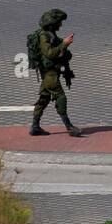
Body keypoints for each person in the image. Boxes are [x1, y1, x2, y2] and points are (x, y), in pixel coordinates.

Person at [30, 8, 83, 137]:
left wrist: (65, 47)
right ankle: (69, 127)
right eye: (59, 22)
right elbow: (49, 53)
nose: (61, 24)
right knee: (60, 97)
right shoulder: (44, 36)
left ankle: (35, 127)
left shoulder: (51, 34)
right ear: (52, 23)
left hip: (52, 73)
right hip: (49, 74)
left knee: (44, 98)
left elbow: (63, 51)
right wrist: (64, 44)